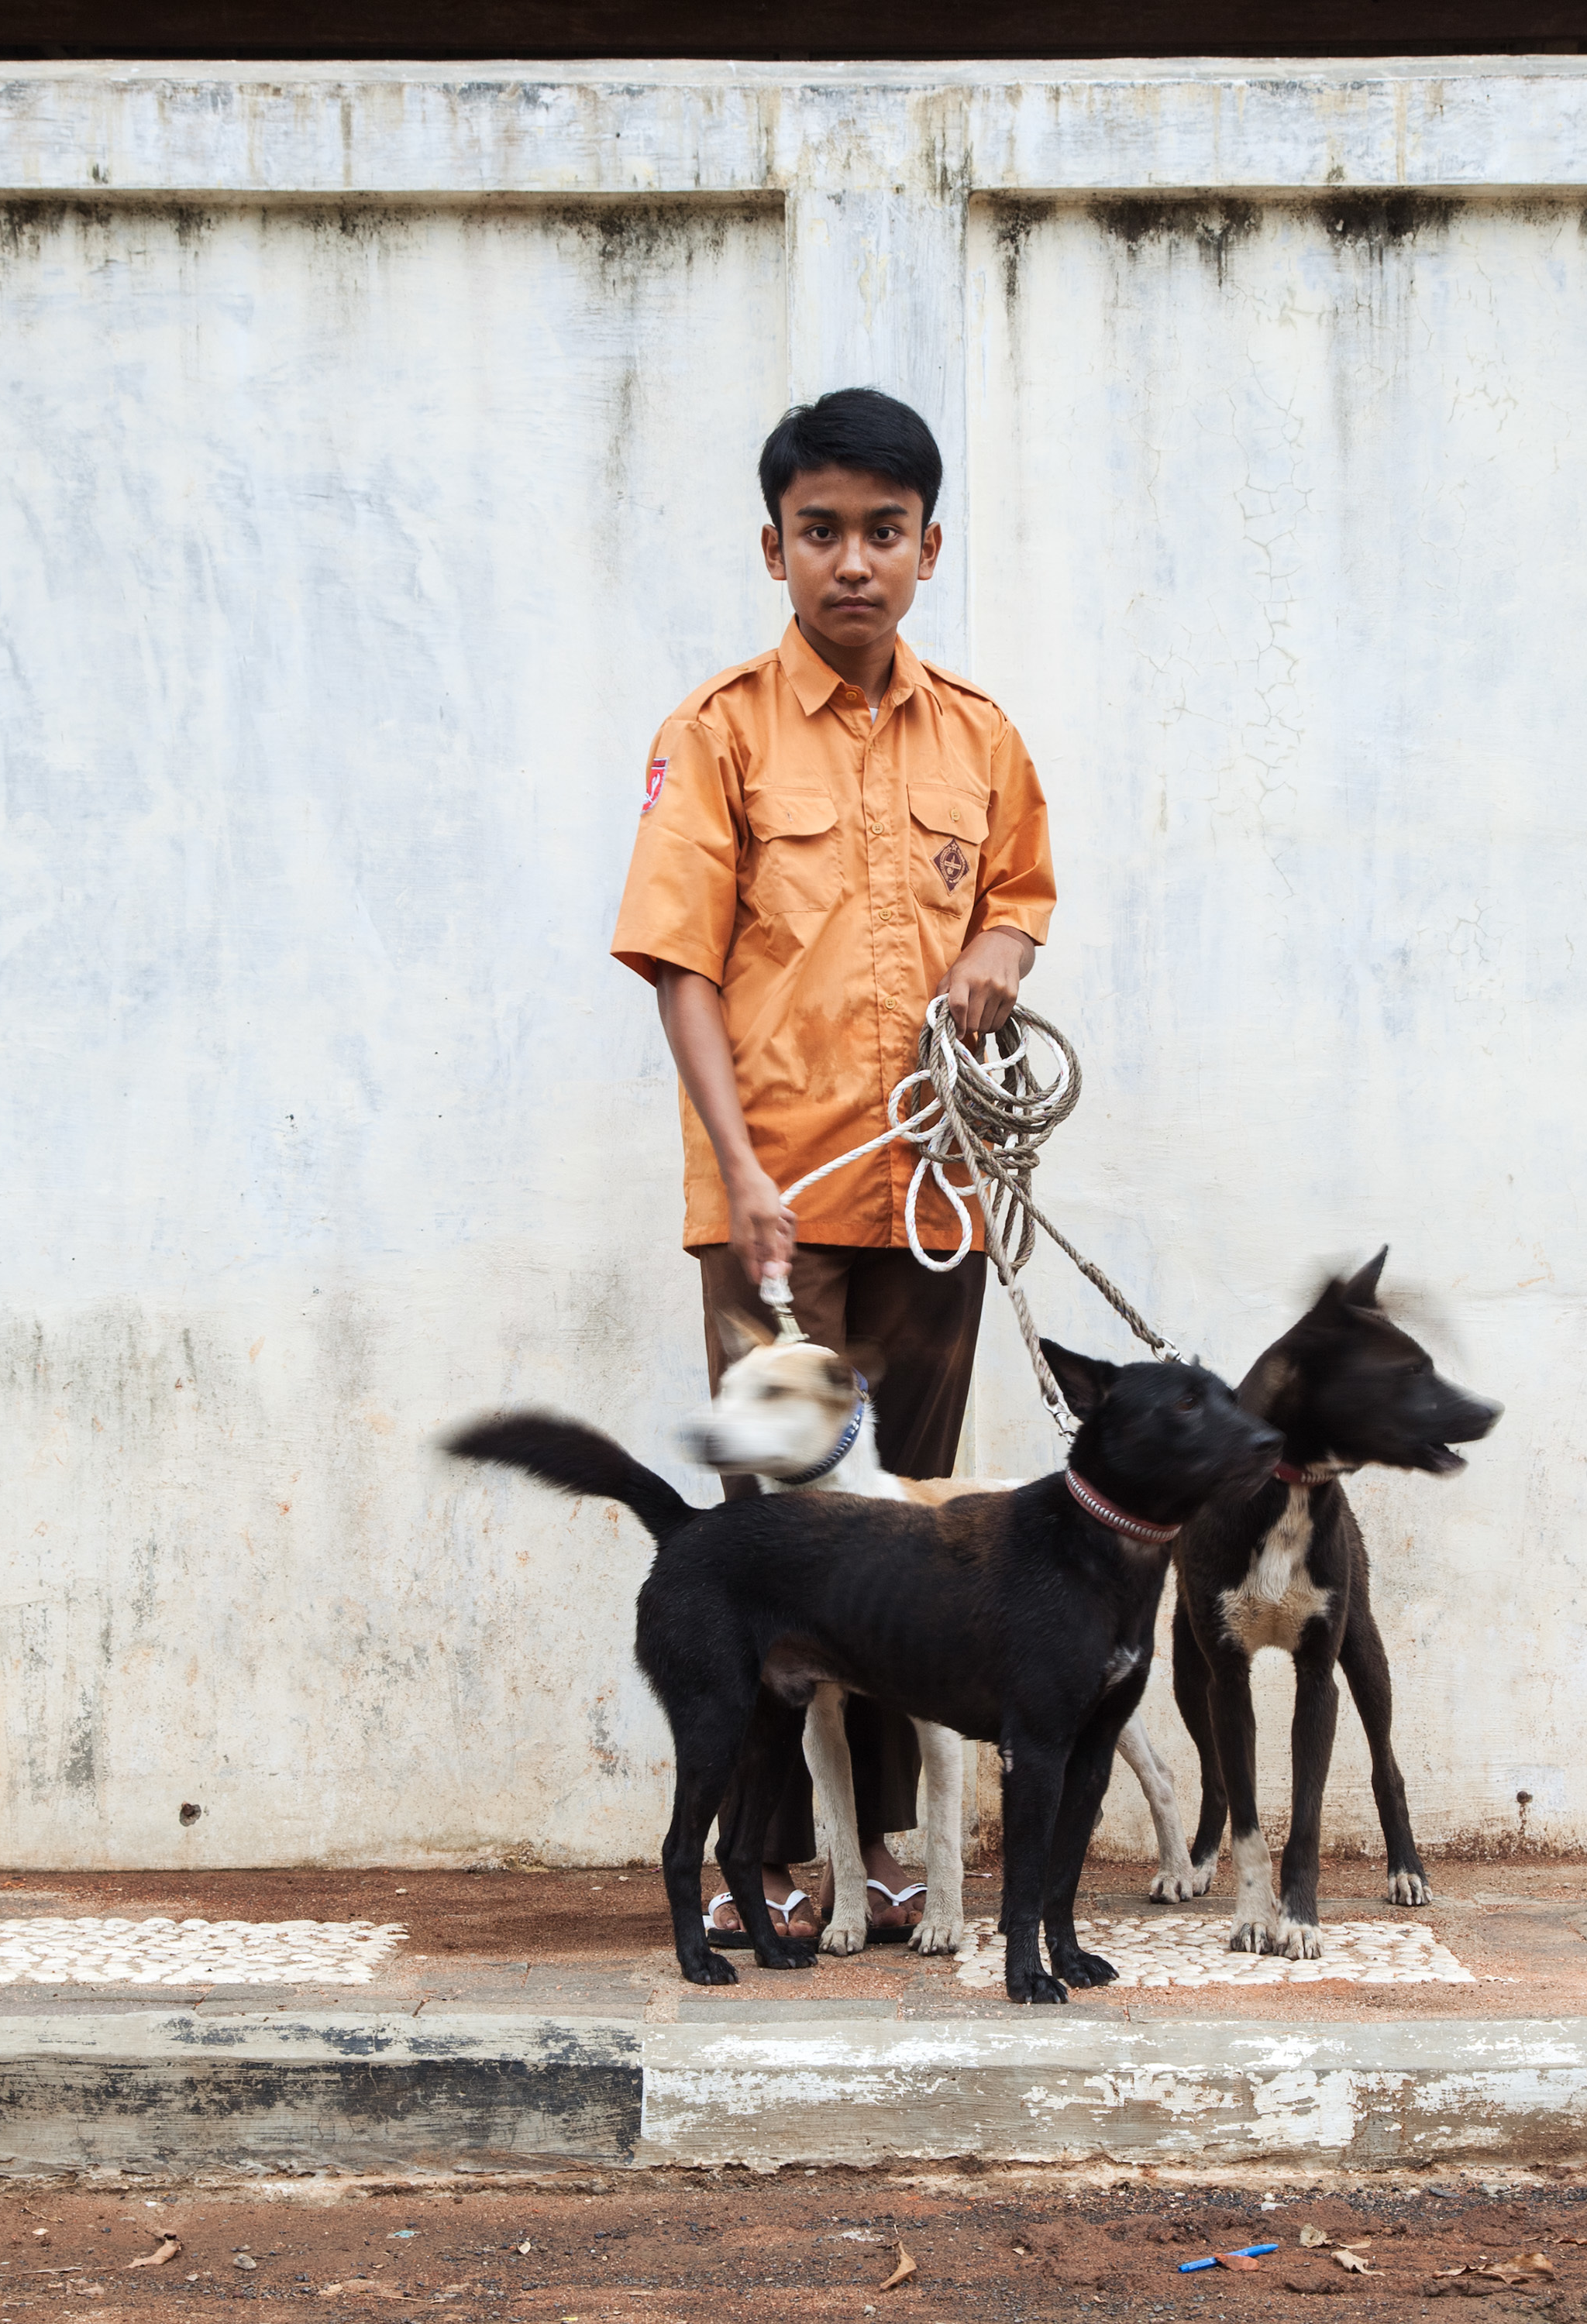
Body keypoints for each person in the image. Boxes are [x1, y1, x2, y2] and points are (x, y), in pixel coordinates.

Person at [611, 387, 1056, 1938]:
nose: (851, 560)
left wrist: (997, 955)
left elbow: (1019, 889)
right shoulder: (716, 733)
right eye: (821, 533)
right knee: (774, 1538)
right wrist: (740, 1175)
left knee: (917, 1538)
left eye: (882, 531)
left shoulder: (982, 736)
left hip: (931, 1202)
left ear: (929, 547)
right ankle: (765, 1862)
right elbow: (680, 968)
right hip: (773, 1208)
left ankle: (892, 1850)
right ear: (774, 547)